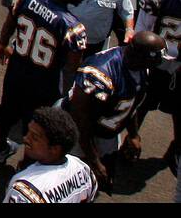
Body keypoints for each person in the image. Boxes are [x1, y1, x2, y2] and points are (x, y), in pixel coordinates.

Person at [0, 0, 89, 163]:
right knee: (37, 125)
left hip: (17, 71)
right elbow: (72, 66)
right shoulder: (72, 27)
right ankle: (27, 163)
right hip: (45, 83)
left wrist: (3, 44)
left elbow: (10, 22)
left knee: (7, 111)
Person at [67, 32, 166, 191]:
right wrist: (94, 161)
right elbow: (80, 120)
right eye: (153, 60)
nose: (155, 65)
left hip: (107, 132)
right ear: (140, 57)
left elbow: (131, 103)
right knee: (72, 183)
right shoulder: (101, 73)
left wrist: (133, 134)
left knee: (100, 182)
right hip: (80, 135)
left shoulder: (140, 67)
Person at [3, 106, 98, 203]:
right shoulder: (84, 170)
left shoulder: (24, 192)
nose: (26, 138)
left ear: (55, 149)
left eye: (35, 137)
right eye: (28, 132)